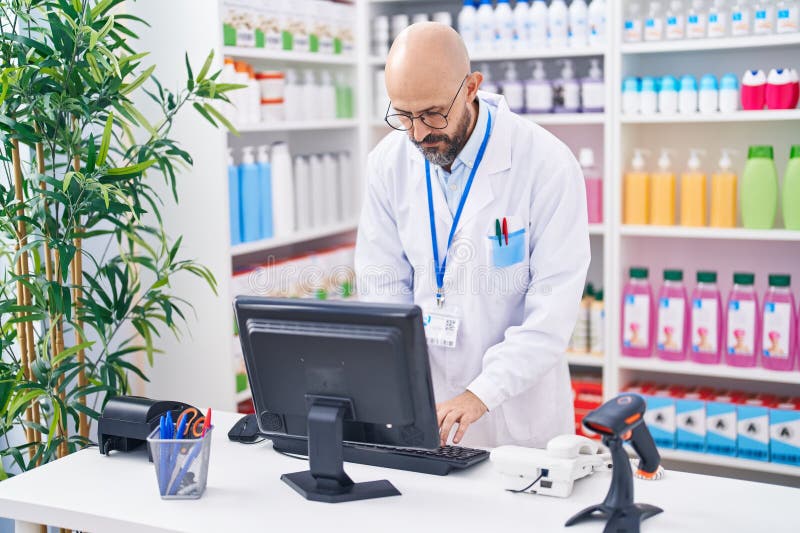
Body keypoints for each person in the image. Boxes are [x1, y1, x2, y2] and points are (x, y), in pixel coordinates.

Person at [354, 22, 590, 449]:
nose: (419, 134)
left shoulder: (547, 164)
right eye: (403, 115)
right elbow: (381, 284)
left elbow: (552, 312)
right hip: (425, 400)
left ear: (471, 88)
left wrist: (482, 392)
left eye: (432, 114)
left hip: (517, 410)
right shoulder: (388, 164)